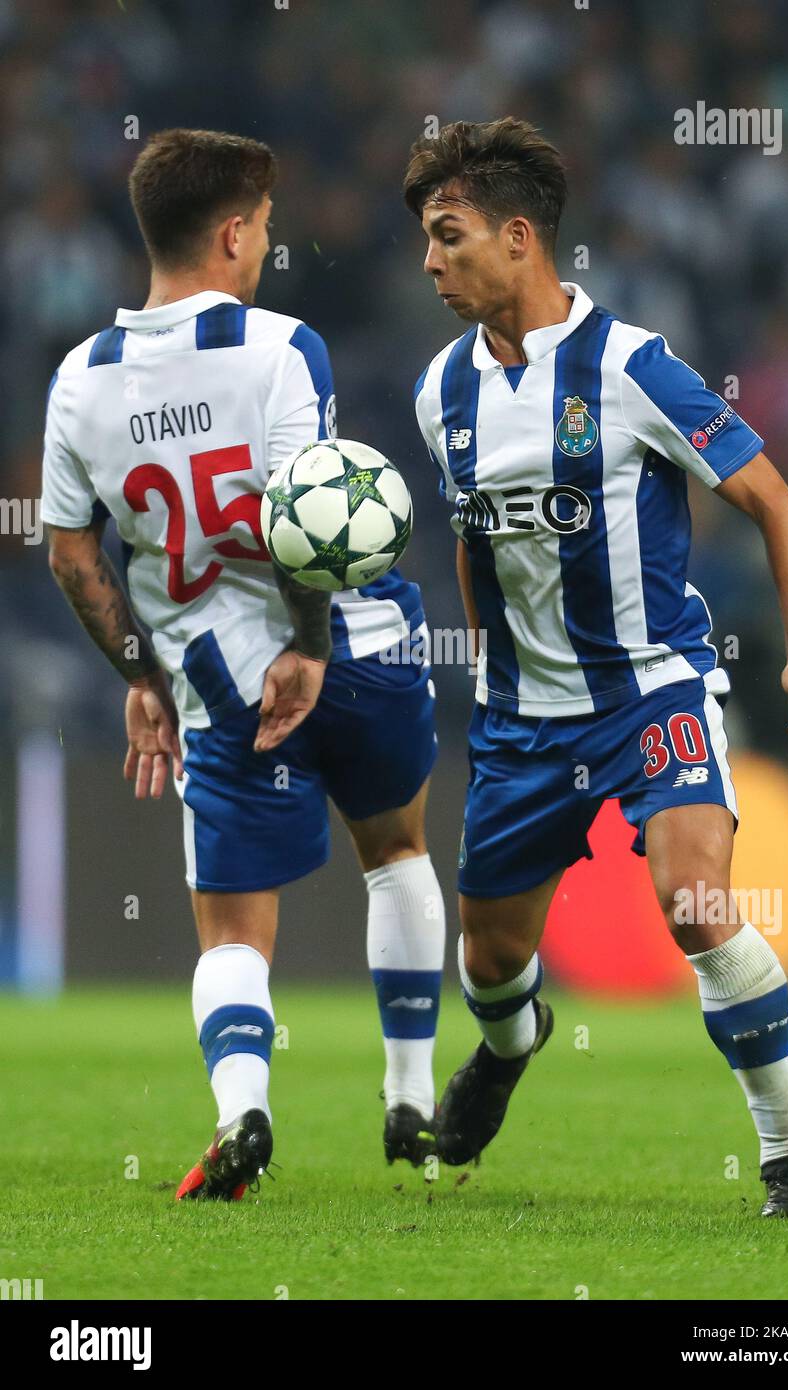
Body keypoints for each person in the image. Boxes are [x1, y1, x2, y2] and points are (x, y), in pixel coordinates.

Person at [406, 117, 788, 1219]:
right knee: (490, 964)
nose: (429, 262)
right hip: (519, 723)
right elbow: (470, 536)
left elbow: (774, 501)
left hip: (651, 688)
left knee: (696, 903)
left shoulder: (631, 366)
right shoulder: (438, 392)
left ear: (517, 237)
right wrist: (492, 669)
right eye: (423, 239)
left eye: (447, 236)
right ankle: (509, 1046)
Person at [41, 128, 445, 1200]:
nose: (267, 243)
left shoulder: (79, 382)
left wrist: (141, 670)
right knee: (396, 854)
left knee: (230, 927)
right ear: (230, 231)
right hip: (351, 651)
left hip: (215, 685)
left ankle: (243, 1112)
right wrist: (308, 648)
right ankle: (408, 1096)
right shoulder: (281, 346)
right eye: (262, 226)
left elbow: (72, 550)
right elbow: (300, 512)